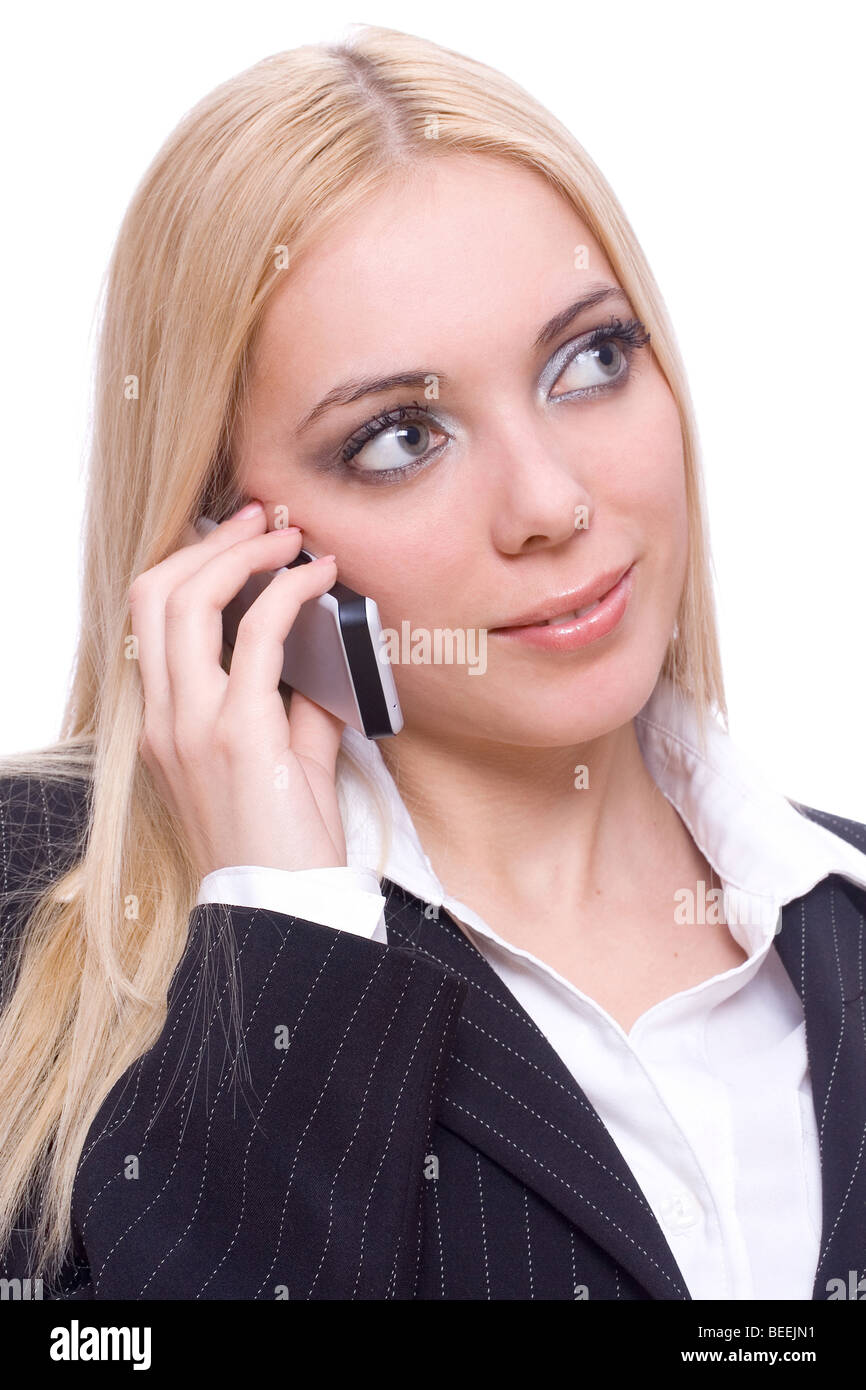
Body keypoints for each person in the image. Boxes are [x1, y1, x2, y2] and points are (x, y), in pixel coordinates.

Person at [1, 24, 864, 1302]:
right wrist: (281, 931)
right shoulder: (36, 923)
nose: (552, 502)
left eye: (589, 360)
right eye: (401, 436)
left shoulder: (838, 915)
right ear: (222, 542)